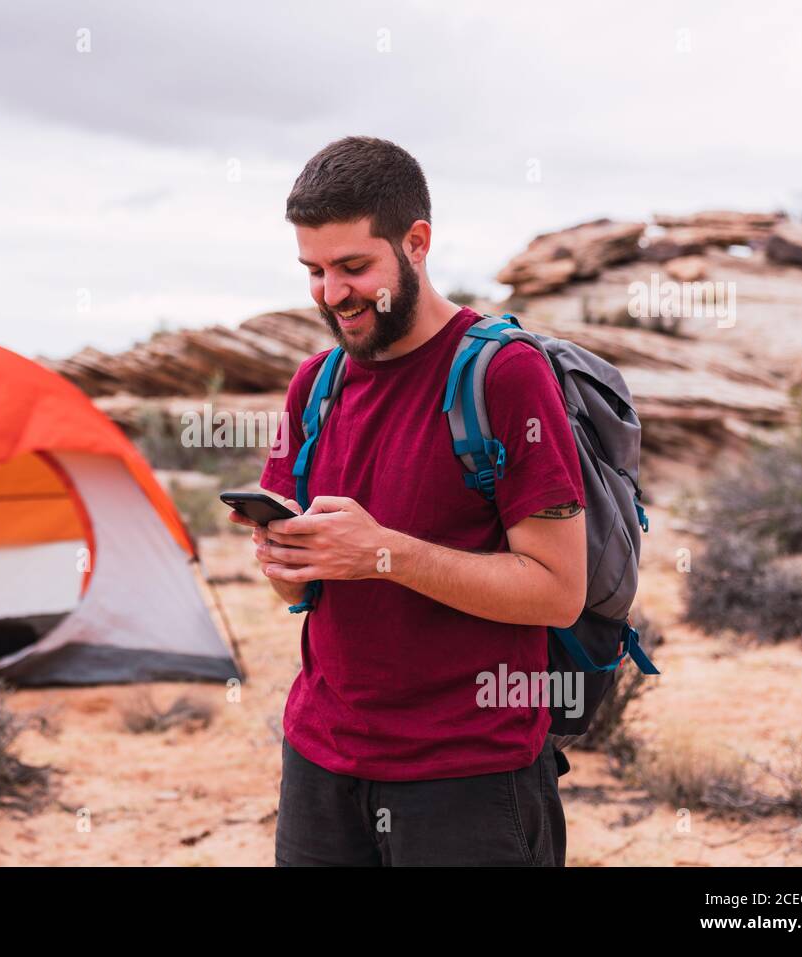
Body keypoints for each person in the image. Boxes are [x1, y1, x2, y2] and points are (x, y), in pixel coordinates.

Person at [231, 136, 587, 866]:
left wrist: (382, 553)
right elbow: (297, 590)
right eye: (315, 271)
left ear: (416, 242)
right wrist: (287, 562)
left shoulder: (504, 376)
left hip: (470, 777)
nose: (333, 294)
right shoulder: (313, 385)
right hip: (321, 765)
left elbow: (558, 590)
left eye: (354, 267)